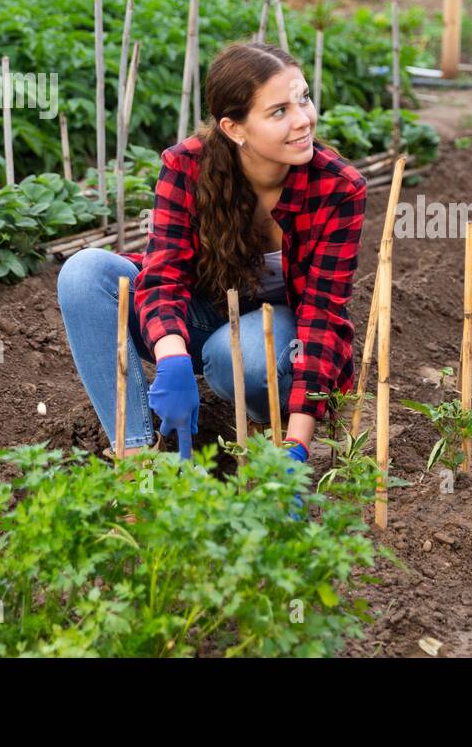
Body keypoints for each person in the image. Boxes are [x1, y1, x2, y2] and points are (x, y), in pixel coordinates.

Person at [57, 42, 366, 466]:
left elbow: (322, 316)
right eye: (279, 111)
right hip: (201, 316)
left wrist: (298, 446)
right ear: (234, 128)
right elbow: (164, 274)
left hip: (276, 341)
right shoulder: (188, 166)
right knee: (83, 272)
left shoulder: (337, 189)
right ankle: (135, 461)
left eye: (304, 99)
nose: (303, 120)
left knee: (239, 355)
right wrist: (171, 359)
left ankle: (268, 435)